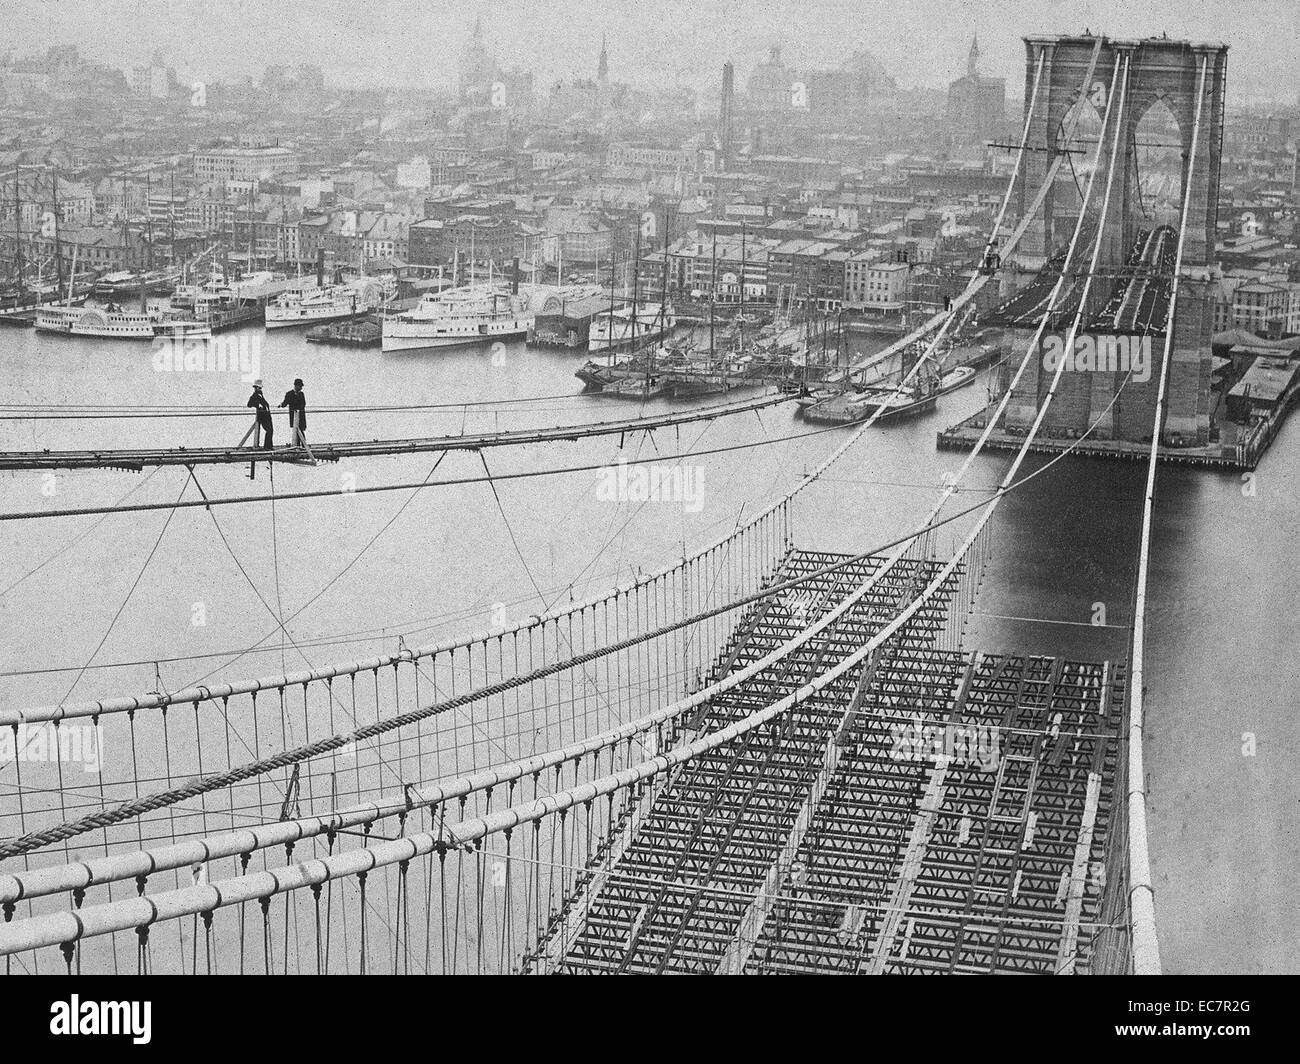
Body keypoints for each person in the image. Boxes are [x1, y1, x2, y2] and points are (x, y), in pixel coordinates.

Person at [279, 378, 307, 445]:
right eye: (300, 386)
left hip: (301, 415)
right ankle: (300, 445)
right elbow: (285, 402)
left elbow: (304, 403)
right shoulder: (289, 394)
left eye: (301, 386)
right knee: (297, 430)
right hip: (294, 415)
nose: (301, 388)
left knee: (301, 430)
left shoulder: (301, 394)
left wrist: (299, 409)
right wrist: (281, 405)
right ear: (296, 385)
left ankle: (303, 445)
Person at [247, 380, 273, 449]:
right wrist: (257, 405)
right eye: (257, 388)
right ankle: (267, 447)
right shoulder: (254, 396)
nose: (258, 389)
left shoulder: (261, 395)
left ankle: (269, 446)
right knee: (269, 430)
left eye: (259, 388)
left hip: (267, 416)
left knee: (271, 430)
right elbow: (249, 404)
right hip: (262, 417)